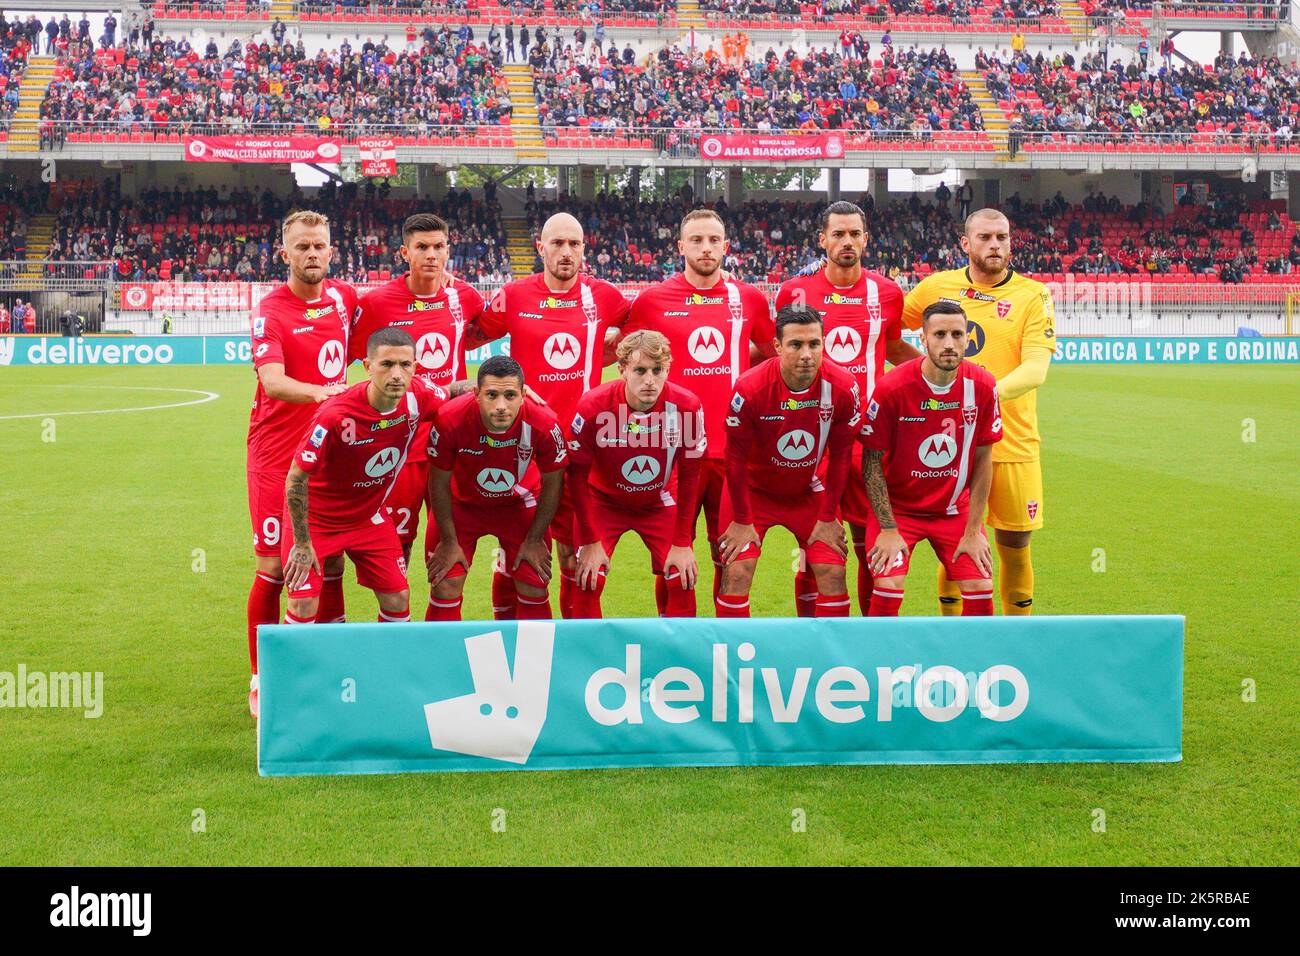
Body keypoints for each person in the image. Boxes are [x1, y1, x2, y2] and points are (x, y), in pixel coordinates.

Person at [472, 212, 630, 619]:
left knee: (573, 559)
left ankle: (572, 650)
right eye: (557, 243)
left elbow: (641, 336)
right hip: (521, 446)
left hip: (579, 449)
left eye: (573, 244)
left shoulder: (605, 296)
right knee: (517, 552)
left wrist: (604, 354)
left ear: (584, 249)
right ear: (540, 247)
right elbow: (469, 335)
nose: (565, 252)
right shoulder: (514, 295)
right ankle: (511, 639)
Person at [901, 208, 1055, 616]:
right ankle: (955, 637)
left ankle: (1014, 638)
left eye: (1002, 237)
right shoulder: (937, 286)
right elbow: (882, 331)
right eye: (985, 237)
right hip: (951, 444)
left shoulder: (1033, 294)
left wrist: (974, 398)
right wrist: (925, 378)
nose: (995, 245)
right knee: (955, 547)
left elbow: (1036, 369)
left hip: (1014, 443)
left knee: (1015, 547)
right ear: (966, 244)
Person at [616, 209, 775, 600]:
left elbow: (773, 357)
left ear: (726, 245)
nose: (706, 248)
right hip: (671, 450)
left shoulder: (749, 298)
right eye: (697, 240)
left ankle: (725, 650)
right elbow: (627, 360)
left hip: (732, 450)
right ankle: (676, 654)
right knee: (673, 559)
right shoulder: (652, 302)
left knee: (731, 558)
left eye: (714, 240)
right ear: (681, 246)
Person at [776, 201, 919, 616]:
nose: (847, 241)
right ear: (822, 239)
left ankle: (866, 642)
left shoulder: (887, 293)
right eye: (838, 234)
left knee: (867, 542)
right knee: (815, 542)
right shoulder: (795, 292)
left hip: (868, 437)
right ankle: (811, 635)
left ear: (866, 239)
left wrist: (947, 373)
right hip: (812, 437)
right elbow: (780, 354)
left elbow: (891, 347)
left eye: (854, 234)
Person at [245, 210, 359, 717]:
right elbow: (272, 381)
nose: (312, 255)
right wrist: (327, 394)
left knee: (328, 559)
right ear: (283, 253)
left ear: (331, 251)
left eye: (320, 246)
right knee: (274, 568)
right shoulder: (270, 311)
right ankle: (260, 677)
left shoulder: (344, 298)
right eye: (303, 247)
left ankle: (326, 665)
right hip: (275, 458)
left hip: (328, 459)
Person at [282, 327, 446, 634]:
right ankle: (288, 680)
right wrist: (302, 543)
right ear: (368, 367)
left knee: (398, 597)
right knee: (302, 604)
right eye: (386, 364)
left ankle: (389, 677)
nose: (397, 374)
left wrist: (510, 390)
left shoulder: (418, 397)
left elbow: (454, 393)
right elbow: (295, 479)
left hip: (367, 519)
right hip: (317, 521)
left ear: (415, 367)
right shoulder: (334, 414)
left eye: (405, 365)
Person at [349, 213, 487, 565]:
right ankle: (397, 613)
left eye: (438, 247)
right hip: (402, 440)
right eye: (422, 247)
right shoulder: (378, 304)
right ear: (404, 253)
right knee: (398, 546)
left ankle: (440, 612)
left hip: (453, 436)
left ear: (448, 251)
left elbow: (477, 334)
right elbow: (350, 357)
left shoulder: (465, 297)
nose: (431, 255)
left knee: (451, 546)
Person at [716, 304, 861, 619]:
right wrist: (741, 520)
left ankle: (827, 662)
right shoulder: (749, 388)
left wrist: (826, 517)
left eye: (814, 344)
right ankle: (731, 661)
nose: (807, 353)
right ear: (778, 346)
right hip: (754, 493)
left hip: (811, 490)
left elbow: (841, 456)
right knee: (738, 573)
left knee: (832, 574)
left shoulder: (843, 387)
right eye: (796, 344)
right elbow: (735, 457)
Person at [860, 300, 1001, 616]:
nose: (949, 344)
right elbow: (871, 462)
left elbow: (983, 459)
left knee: (981, 587)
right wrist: (887, 528)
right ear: (922, 339)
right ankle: (878, 662)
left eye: (957, 334)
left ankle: (972, 663)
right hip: (898, 511)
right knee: (888, 585)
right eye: (939, 335)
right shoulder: (892, 387)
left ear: (968, 338)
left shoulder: (982, 386)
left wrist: (973, 530)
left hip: (954, 512)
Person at [569, 330, 706, 619]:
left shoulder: (687, 407)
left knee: (681, 577)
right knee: (588, 579)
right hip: (602, 501)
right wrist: (591, 542)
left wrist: (682, 542)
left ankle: (678, 658)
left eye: (658, 370)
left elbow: (692, 476)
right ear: (621, 370)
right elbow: (577, 477)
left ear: (668, 369)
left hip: (659, 500)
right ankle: (587, 660)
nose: (649, 380)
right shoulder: (593, 407)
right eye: (640, 370)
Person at [425, 356, 568, 621]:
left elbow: (553, 483)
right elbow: (438, 481)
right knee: (445, 583)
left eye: (510, 395)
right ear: (476, 393)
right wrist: (448, 540)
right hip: (461, 506)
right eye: (491, 394)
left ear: (524, 395)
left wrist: (535, 539)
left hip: (518, 505)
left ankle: (532, 661)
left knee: (534, 583)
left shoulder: (545, 423)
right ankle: (441, 661)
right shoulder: (449, 419)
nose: (501, 405)